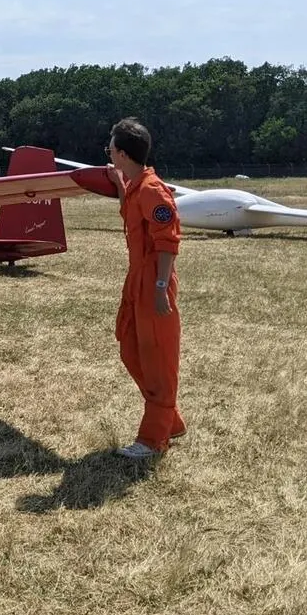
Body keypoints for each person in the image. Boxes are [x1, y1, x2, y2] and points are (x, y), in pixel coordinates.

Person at [106, 117, 185, 460]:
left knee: (157, 359)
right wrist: (119, 182)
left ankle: (153, 440)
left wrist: (160, 286)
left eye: (110, 149)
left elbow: (168, 242)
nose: (109, 153)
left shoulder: (153, 190)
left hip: (153, 280)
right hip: (137, 278)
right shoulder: (137, 187)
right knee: (131, 348)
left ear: (122, 153)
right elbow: (132, 214)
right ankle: (171, 421)